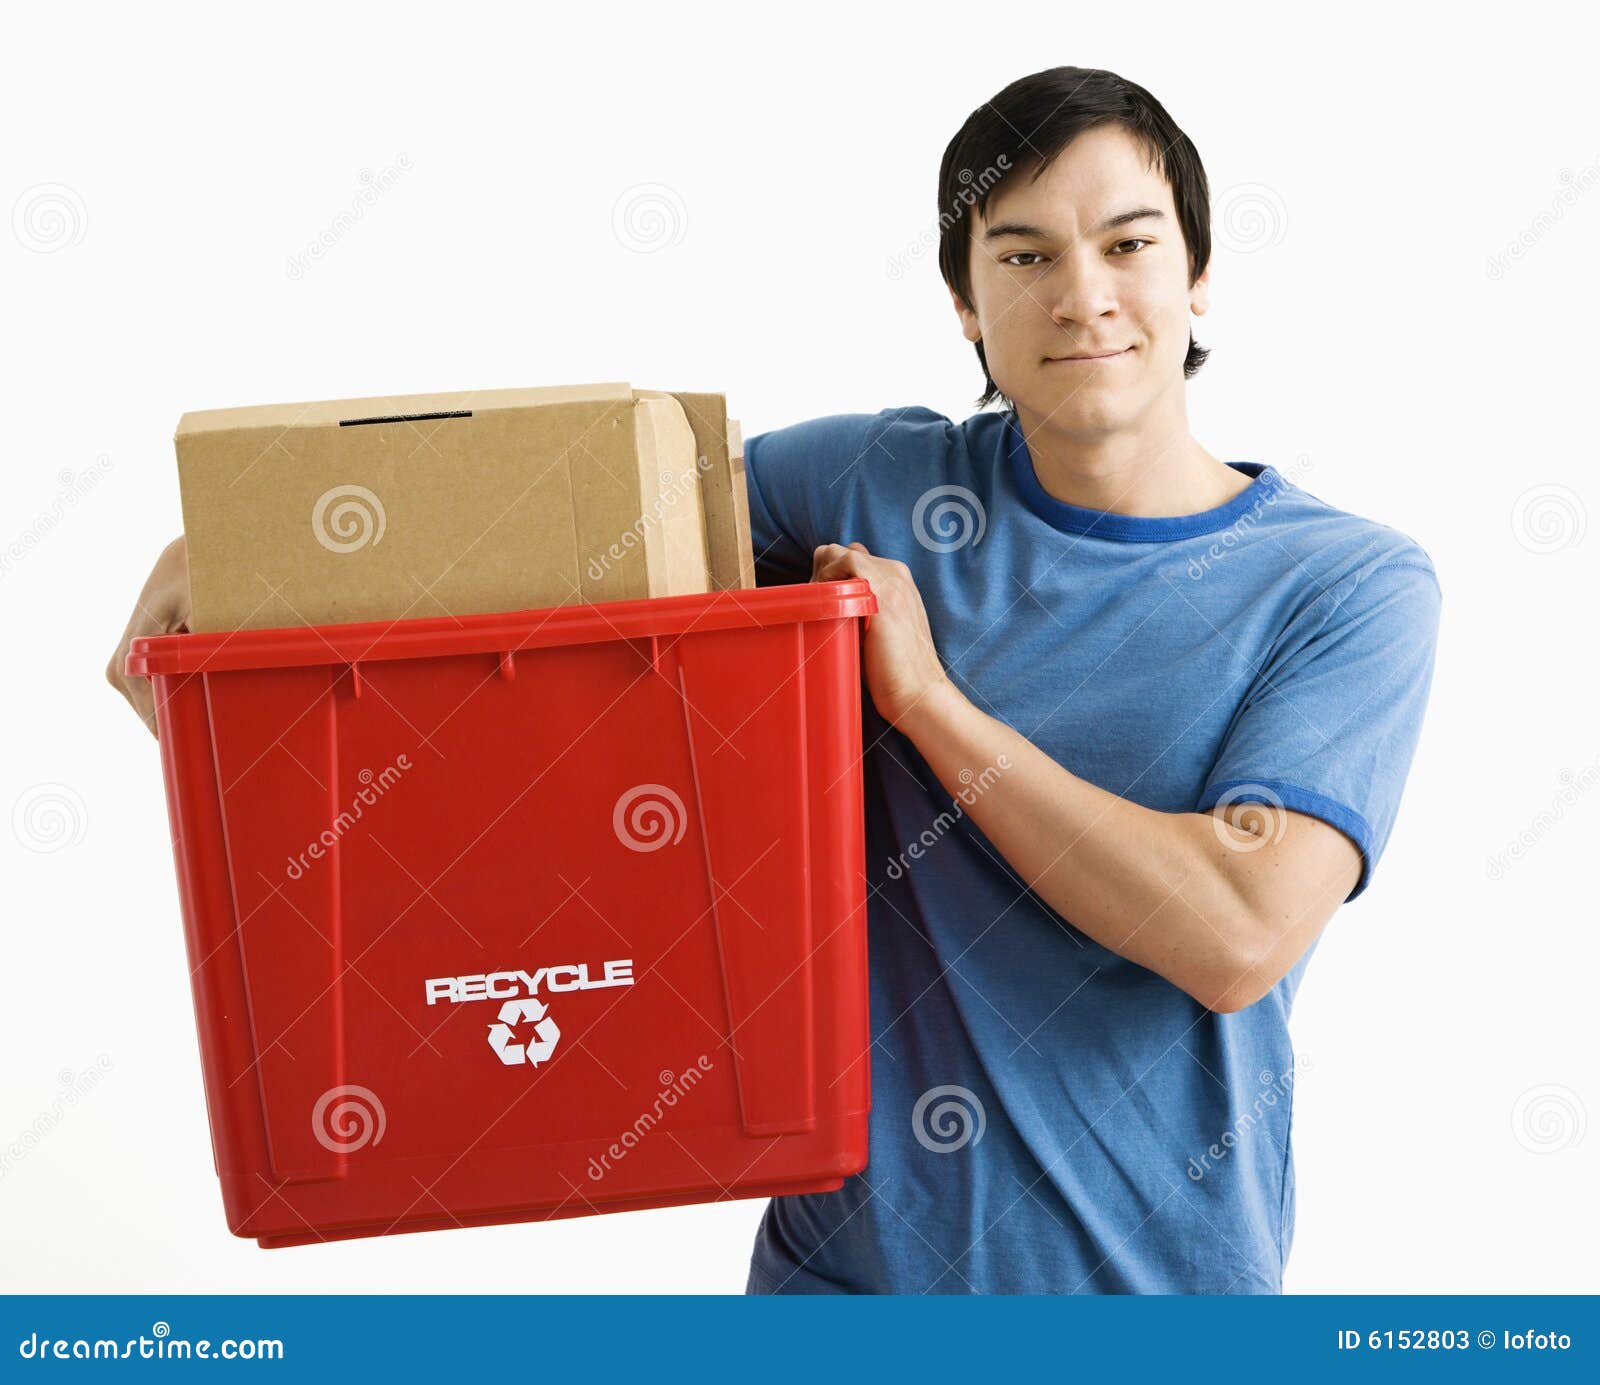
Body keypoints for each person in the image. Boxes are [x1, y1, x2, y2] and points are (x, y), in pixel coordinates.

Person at [108, 66, 1440, 1295]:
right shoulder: (867, 485)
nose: (1081, 294)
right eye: (1024, 254)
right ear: (966, 307)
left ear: (1198, 275)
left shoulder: (1343, 586)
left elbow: (1235, 933)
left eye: (1129, 244)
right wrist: (256, 551)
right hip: (829, 1295)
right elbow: (556, 531)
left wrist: (930, 706)